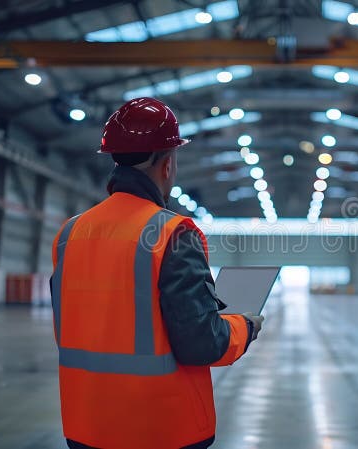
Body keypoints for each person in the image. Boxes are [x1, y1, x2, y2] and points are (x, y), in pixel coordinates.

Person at [50, 97, 264, 449]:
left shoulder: (70, 234)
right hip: (158, 430)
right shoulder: (172, 233)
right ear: (166, 165)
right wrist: (246, 326)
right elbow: (202, 344)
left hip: (85, 428)